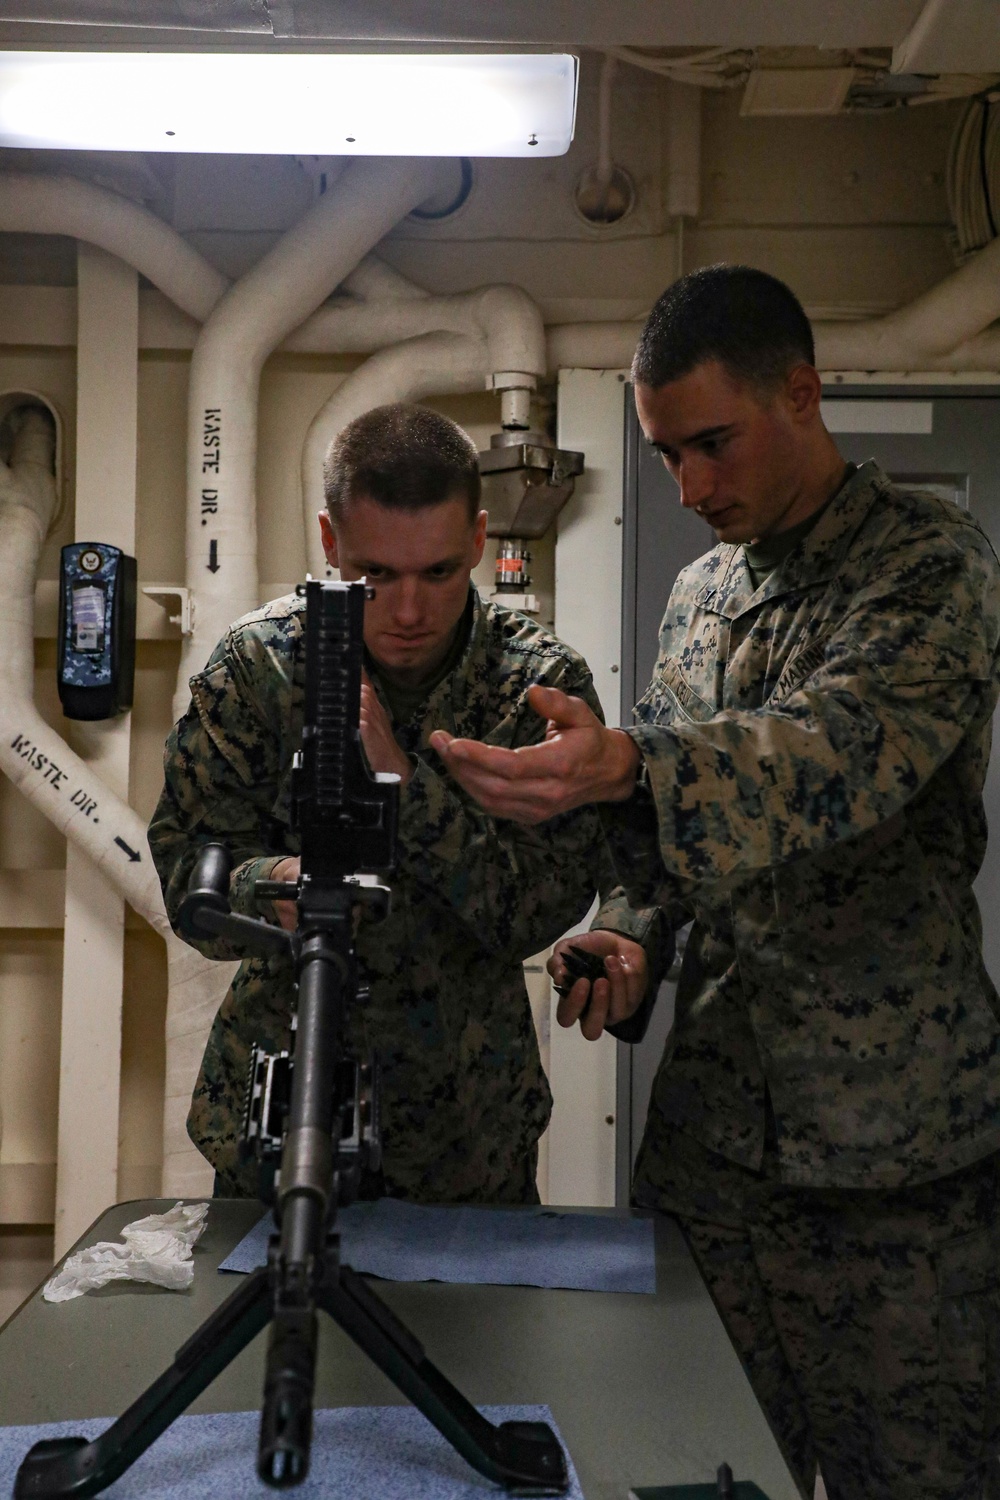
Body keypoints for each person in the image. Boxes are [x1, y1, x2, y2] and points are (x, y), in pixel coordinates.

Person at [431, 267, 1000, 1500]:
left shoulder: (928, 566)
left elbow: (831, 756)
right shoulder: (700, 597)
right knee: (691, 1470)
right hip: (714, 1157)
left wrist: (624, 763)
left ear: (799, 395)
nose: (687, 488)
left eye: (710, 444)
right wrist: (630, 937)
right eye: (663, 453)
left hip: (892, 1175)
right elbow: (671, 848)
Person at [148, 403, 612, 1205]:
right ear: (330, 541)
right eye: (376, 575)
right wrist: (286, 886)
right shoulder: (260, 667)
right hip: (281, 1118)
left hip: (465, 1133)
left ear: (476, 539)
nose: (406, 612)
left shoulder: (537, 686)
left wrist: (407, 786)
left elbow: (538, 911)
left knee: (465, 1337)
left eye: (436, 573)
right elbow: (188, 878)